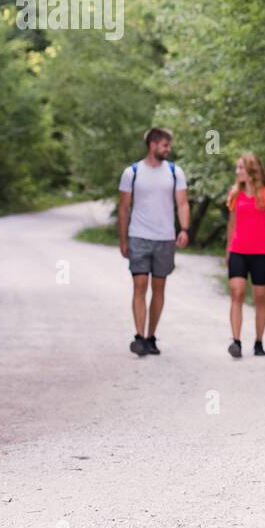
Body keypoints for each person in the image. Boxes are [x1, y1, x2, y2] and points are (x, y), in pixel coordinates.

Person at [117, 127, 189, 357]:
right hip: (139, 236)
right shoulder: (132, 172)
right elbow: (124, 207)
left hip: (165, 238)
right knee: (140, 286)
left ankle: (151, 336)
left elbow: (183, 204)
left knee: (159, 288)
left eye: (169, 145)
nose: (168, 149)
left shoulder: (175, 172)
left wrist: (184, 229)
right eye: (165, 145)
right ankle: (139, 336)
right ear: (153, 145)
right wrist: (123, 238)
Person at [225, 153, 265, 358]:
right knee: (237, 293)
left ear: (251, 170)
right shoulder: (235, 195)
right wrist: (228, 251)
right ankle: (236, 341)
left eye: (240, 168)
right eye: (237, 168)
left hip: (261, 253)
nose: (237, 172)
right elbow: (232, 224)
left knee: (260, 298)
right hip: (238, 251)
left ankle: (259, 342)